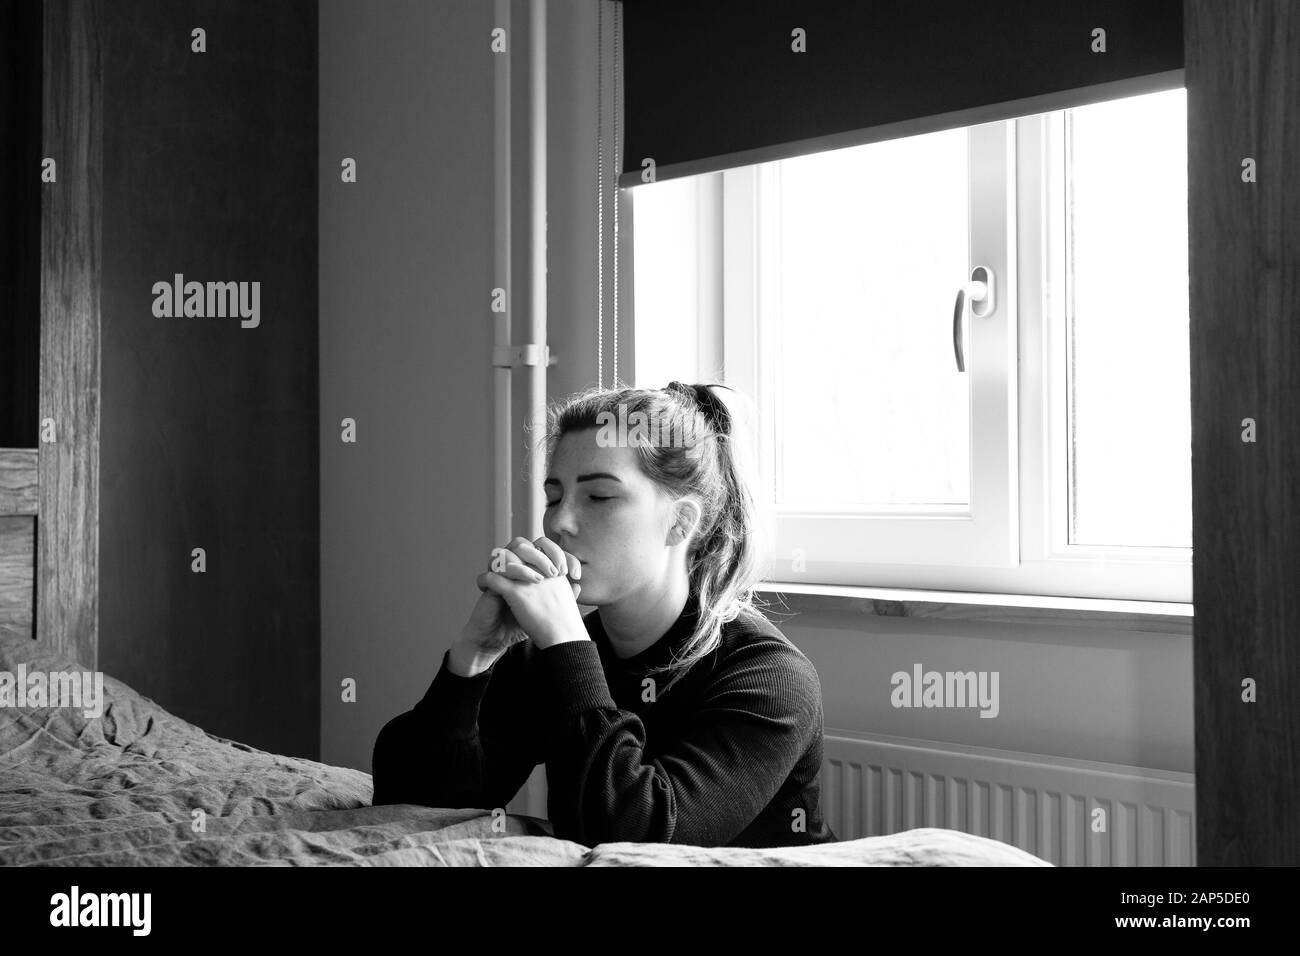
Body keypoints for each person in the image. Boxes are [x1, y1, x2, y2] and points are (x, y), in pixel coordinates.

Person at [371, 381, 837, 848]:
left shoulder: (770, 677)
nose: (558, 522)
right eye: (554, 497)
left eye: (598, 497)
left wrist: (569, 649)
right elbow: (416, 802)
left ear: (680, 523)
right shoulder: (550, 656)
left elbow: (641, 836)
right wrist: (472, 659)